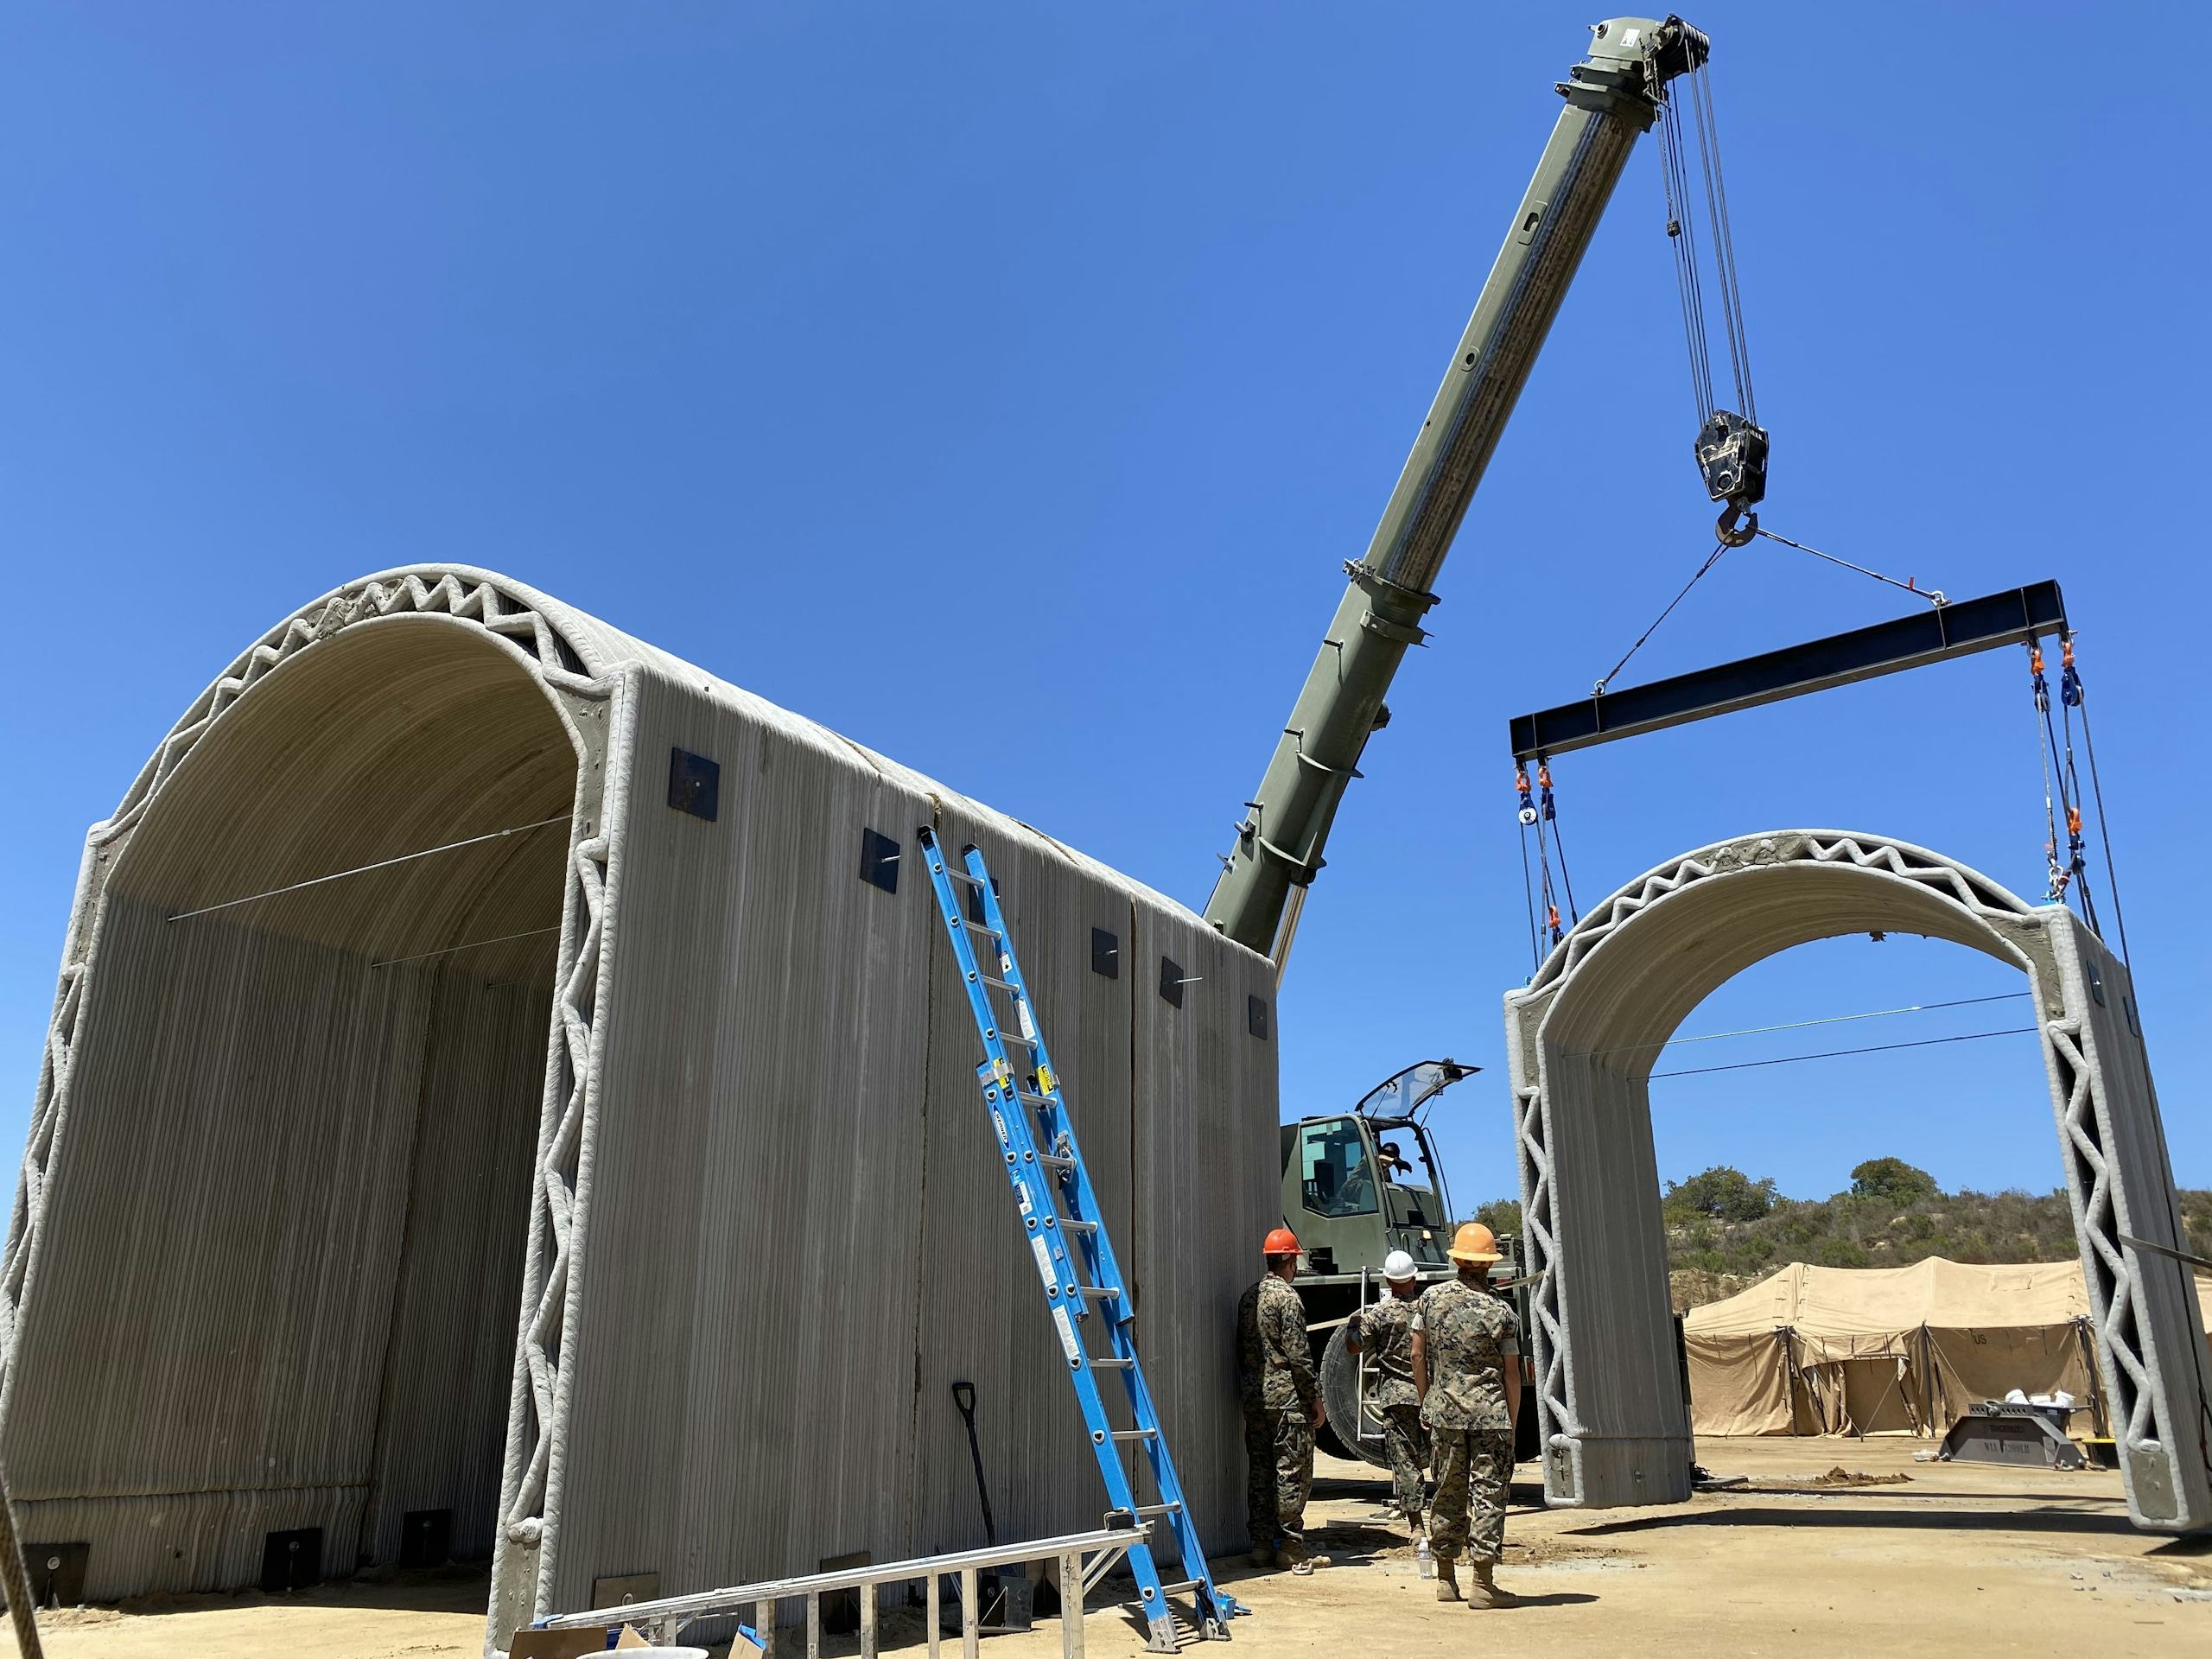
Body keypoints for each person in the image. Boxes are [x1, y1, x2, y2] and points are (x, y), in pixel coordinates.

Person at [1413, 1221, 1522, 1608]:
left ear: (1457, 1259)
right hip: (1490, 1416)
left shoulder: (1429, 1301)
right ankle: (1483, 1583)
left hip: (1444, 1413)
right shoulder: (1502, 1313)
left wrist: (1428, 1402)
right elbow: (1512, 1374)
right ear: (1488, 1265)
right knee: (1488, 1494)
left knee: (1446, 1491)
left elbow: (1417, 1354)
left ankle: (1445, 1579)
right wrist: (1511, 1420)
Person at [1234, 1226, 1330, 1573]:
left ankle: (1261, 1545)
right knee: (1291, 1471)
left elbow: (1243, 1352)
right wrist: (1315, 1399)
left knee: (1260, 1472)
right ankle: (1290, 1546)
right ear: (1288, 1260)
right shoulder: (1288, 1299)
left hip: (1256, 1399)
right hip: (1288, 1401)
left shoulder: (1249, 1297)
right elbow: (1299, 1357)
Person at [1344, 1249, 1427, 1539]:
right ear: (1414, 1278)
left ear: (1388, 1281)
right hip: (1431, 1393)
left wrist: (1352, 1326)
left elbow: (1353, 1347)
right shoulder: (1428, 1309)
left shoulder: (1379, 1315)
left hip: (1397, 1395)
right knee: (1444, 1457)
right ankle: (1454, 1521)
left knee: (1406, 1459)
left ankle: (1417, 1527)